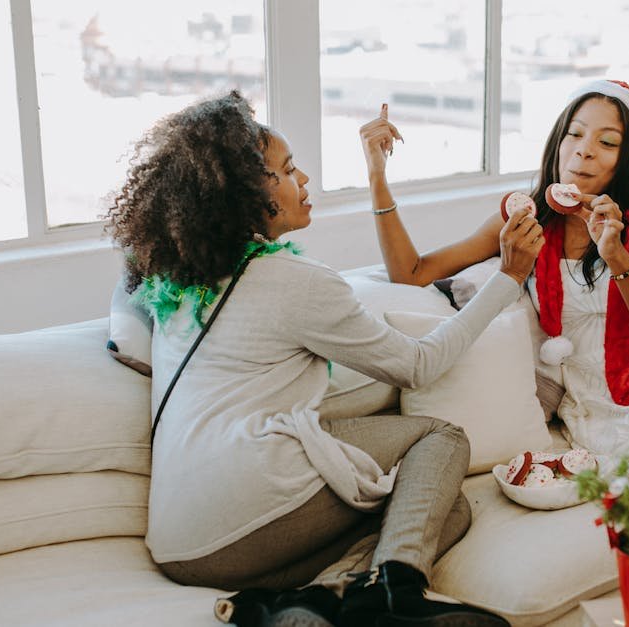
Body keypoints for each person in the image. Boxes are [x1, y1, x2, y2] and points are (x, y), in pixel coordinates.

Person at [106, 91, 542, 627]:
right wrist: (510, 277)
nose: (304, 180)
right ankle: (395, 594)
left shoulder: (173, 277)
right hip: (248, 499)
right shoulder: (295, 283)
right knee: (441, 439)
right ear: (246, 194)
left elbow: (124, 295)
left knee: (443, 508)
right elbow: (419, 366)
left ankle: (310, 602)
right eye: (288, 170)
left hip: (181, 545)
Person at [358, 80, 629, 585]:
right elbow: (412, 272)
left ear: (627, 159)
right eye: (574, 134)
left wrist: (618, 259)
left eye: (607, 143)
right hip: (597, 400)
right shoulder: (522, 215)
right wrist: (376, 176)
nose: (584, 151)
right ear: (557, 142)